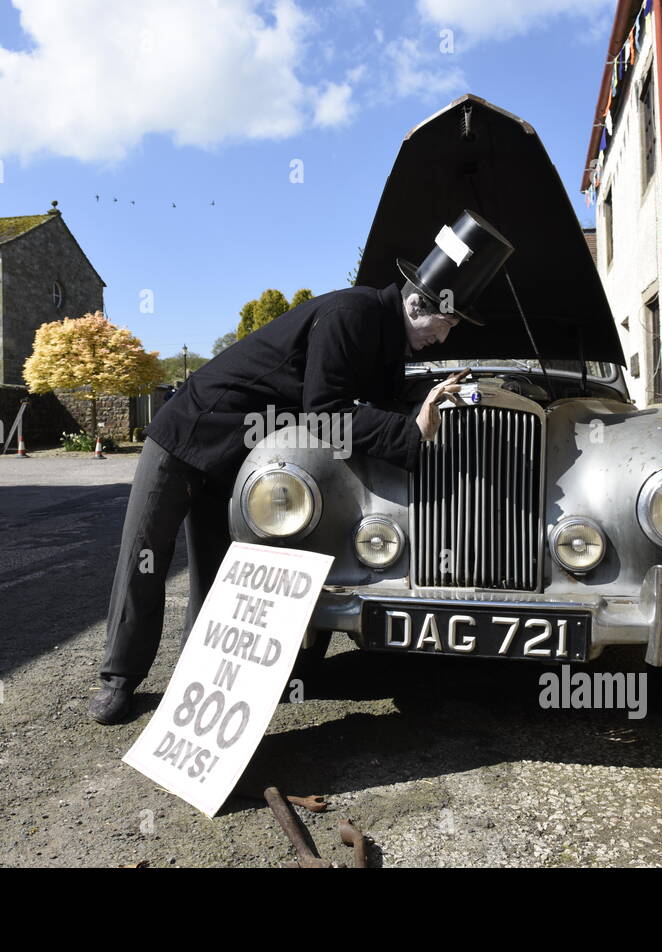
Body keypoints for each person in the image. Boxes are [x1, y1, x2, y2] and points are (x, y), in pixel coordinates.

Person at [89, 210, 514, 724]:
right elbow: (326, 411)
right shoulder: (351, 315)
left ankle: (194, 680)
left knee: (216, 572)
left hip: (239, 458)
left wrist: (434, 406)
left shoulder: (387, 338)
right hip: (190, 432)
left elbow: (378, 405)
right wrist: (410, 431)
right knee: (144, 557)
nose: (443, 339)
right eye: (445, 324)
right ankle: (119, 679)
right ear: (417, 303)